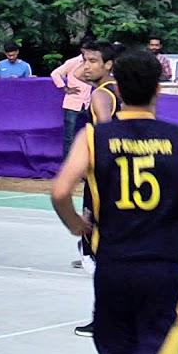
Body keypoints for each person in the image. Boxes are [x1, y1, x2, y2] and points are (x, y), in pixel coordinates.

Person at [50, 49, 178, 354]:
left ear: (118, 89)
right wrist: (171, 211)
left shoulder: (94, 136)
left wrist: (76, 224)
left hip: (113, 267)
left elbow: (59, 191)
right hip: (161, 266)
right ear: (159, 89)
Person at [73, 38, 124, 334]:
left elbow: (106, 133)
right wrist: (91, 61)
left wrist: (88, 162)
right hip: (115, 178)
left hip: (101, 181)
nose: (86, 66)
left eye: (93, 61)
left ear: (109, 65)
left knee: (98, 248)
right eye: (84, 59)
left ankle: (106, 317)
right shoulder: (115, 90)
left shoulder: (102, 96)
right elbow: (79, 74)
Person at [50, 54, 92, 157]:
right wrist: (65, 88)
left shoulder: (93, 62)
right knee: (69, 137)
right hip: (73, 103)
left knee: (90, 134)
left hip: (87, 103)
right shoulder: (73, 61)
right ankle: (67, 162)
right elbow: (55, 73)